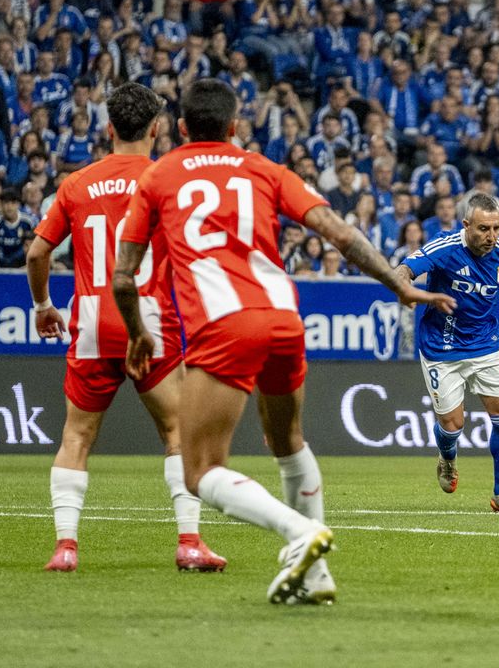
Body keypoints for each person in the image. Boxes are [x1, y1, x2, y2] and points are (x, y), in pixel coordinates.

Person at [112, 79, 454, 605]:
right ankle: (314, 578)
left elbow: (122, 276)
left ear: (180, 129)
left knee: (200, 470)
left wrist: (137, 332)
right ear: (234, 127)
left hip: (226, 325)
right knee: (288, 441)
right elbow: (340, 233)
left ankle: (300, 532)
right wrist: (399, 285)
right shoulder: (263, 169)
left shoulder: (159, 176)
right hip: (284, 319)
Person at [27, 84, 226, 574]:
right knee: (180, 431)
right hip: (150, 321)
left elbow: (37, 253)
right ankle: (189, 543)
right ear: (156, 128)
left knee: (76, 435)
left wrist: (43, 305)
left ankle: (66, 548)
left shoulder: (76, 184)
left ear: (108, 128)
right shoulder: (169, 181)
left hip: (93, 321)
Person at [395, 193, 499, 514]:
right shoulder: (443, 248)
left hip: (485, 344)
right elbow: (404, 270)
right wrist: (409, 291)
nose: (492, 236)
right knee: (453, 425)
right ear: (466, 225)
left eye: (497, 228)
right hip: (441, 347)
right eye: (484, 229)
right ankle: (447, 454)